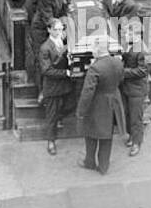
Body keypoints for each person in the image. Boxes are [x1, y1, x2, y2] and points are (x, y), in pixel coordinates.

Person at [76, 36, 127, 175]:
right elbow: (121, 79)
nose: (92, 50)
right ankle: (104, 166)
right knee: (107, 135)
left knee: (91, 132)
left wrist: (81, 111)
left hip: (97, 104)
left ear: (98, 49)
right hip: (114, 101)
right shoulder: (118, 62)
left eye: (93, 47)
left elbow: (87, 92)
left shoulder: (95, 68)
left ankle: (90, 162)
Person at [38, 19, 75, 156]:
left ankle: (59, 118)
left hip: (65, 85)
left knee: (70, 105)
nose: (59, 32)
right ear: (49, 30)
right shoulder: (45, 48)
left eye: (61, 29)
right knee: (51, 115)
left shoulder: (63, 43)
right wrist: (66, 73)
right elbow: (46, 70)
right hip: (53, 87)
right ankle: (51, 142)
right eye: (56, 30)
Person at [120, 48, 151, 157]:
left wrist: (123, 71)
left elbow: (142, 71)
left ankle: (137, 143)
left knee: (136, 117)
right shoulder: (123, 47)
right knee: (127, 115)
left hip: (137, 89)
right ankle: (131, 136)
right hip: (126, 88)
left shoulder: (139, 50)